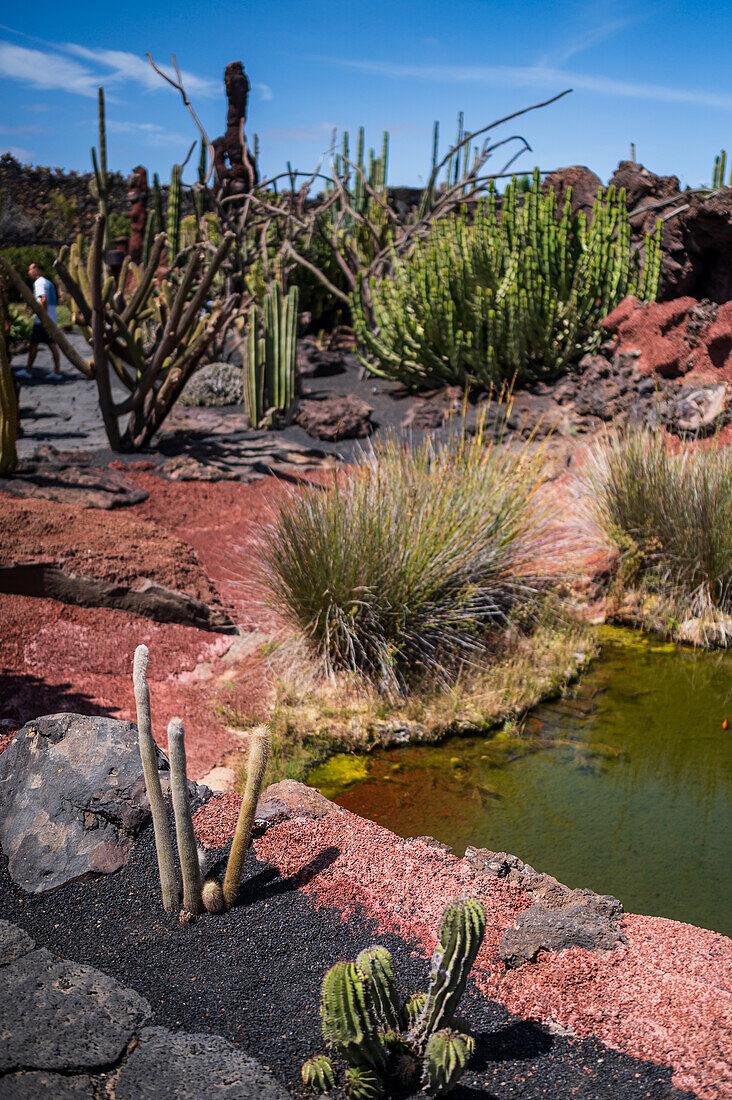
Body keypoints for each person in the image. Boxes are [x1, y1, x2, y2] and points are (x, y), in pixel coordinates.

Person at [14, 263, 62, 381]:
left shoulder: (40, 282)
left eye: (30, 269)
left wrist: (42, 315)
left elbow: (43, 299)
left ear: (37, 270)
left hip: (43, 321)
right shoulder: (47, 282)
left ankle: (30, 371)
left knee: (40, 345)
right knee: (44, 345)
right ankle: (54, 371)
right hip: (49, 319)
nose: (29, 272)